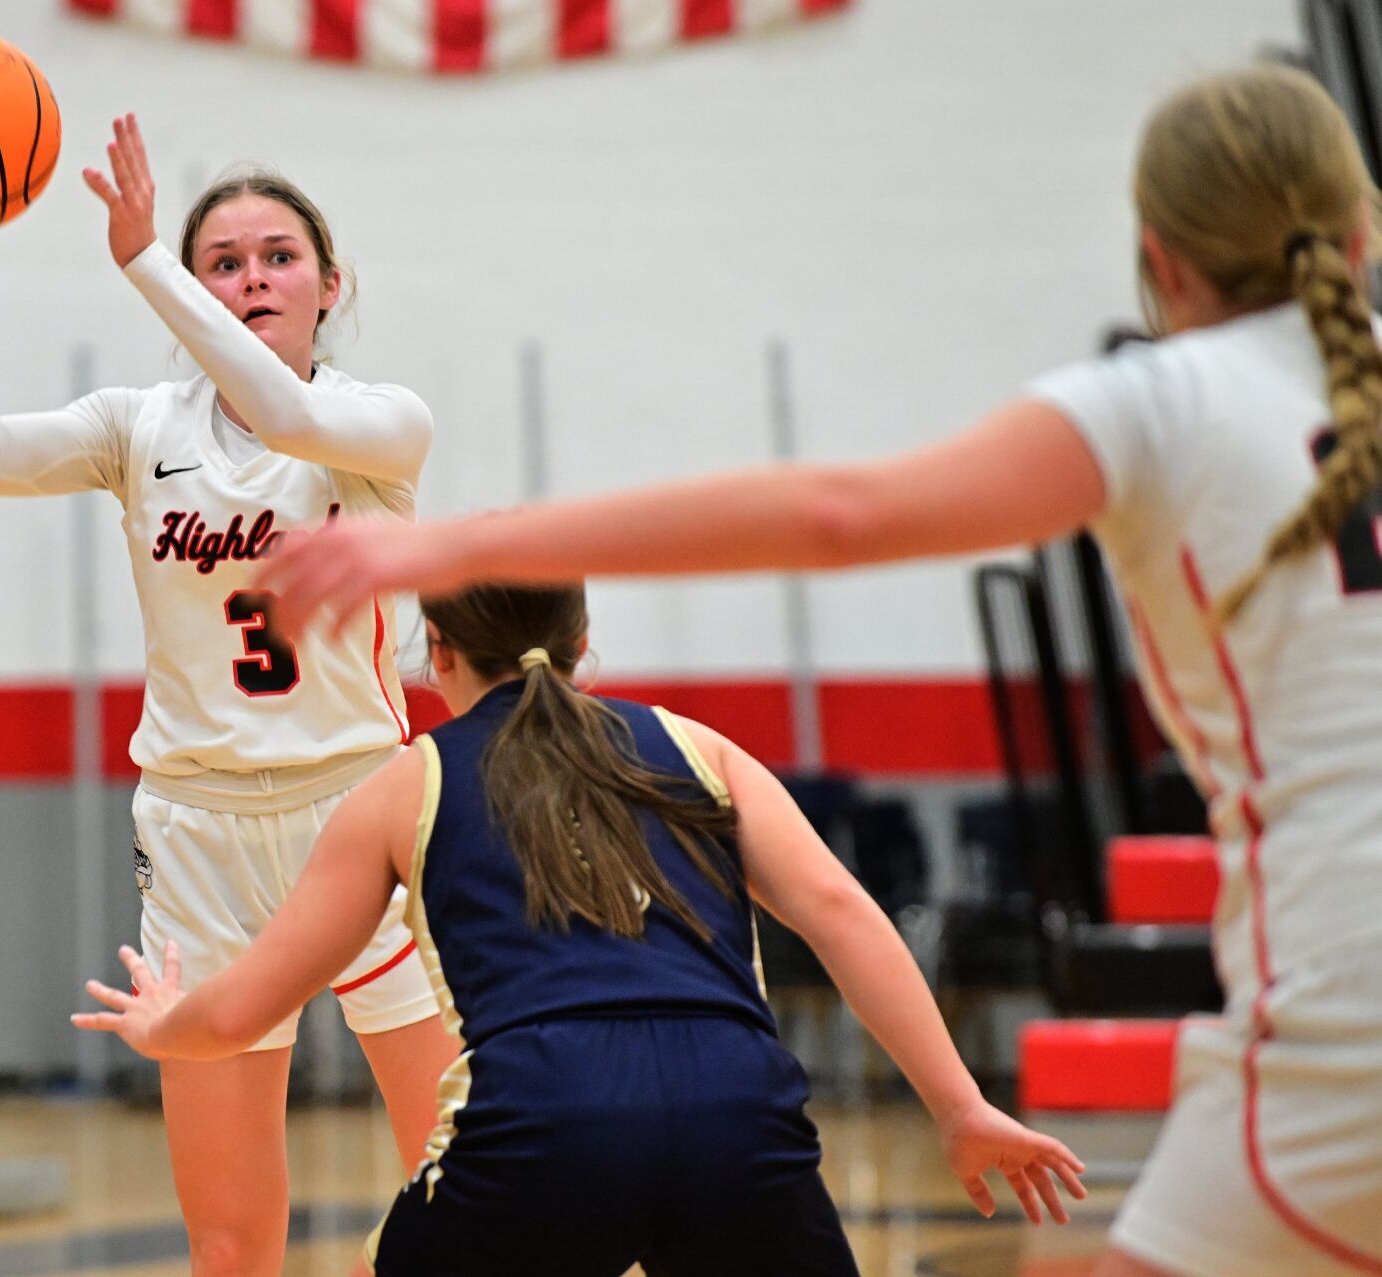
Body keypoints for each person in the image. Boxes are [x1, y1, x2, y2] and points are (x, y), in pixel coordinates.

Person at [250, 64, 1382, 1277]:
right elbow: (835, 907)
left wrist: (457, 544)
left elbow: (842, 513)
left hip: (1341, 1003)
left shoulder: (1164, 399)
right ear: (1361, 232)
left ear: (1157, 261)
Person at [74, 580, 1087, 1276]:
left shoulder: (402, 783)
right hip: (740, 1119)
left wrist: (162, 1023)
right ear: (583, 640)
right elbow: (844, 914)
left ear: (435, 654)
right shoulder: (701, 747)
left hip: (542, 1130)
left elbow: (248, 1003)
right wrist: (960, 1106)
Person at [0, 115, 456, 1276]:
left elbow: (288, 414)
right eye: (225, 261)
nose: (252, 278)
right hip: (197, 831)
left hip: (365, 814)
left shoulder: (380, 422)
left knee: (455, 1194)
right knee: (229, 1236)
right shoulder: (138, 428)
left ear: (330, 284)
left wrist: (147, 259)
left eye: (277, 255)